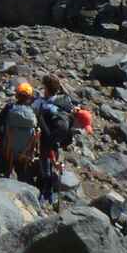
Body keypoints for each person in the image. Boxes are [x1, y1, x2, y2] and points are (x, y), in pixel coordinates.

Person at [34, 74, 76, 204]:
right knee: (55, 158)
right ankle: (52, 187)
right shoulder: (64, 101)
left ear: (46, 88)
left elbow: (33, 111)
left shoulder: (42, 104)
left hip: (47, 137)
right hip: (60, 138)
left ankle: (45, 190)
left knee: (45, 159)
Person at [0, 80, 40, 180]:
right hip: (26, 153)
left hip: (8, 150)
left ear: (17, 95)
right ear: (30, 97)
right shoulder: (33, 112)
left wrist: (0, 136)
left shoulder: (10, 108)